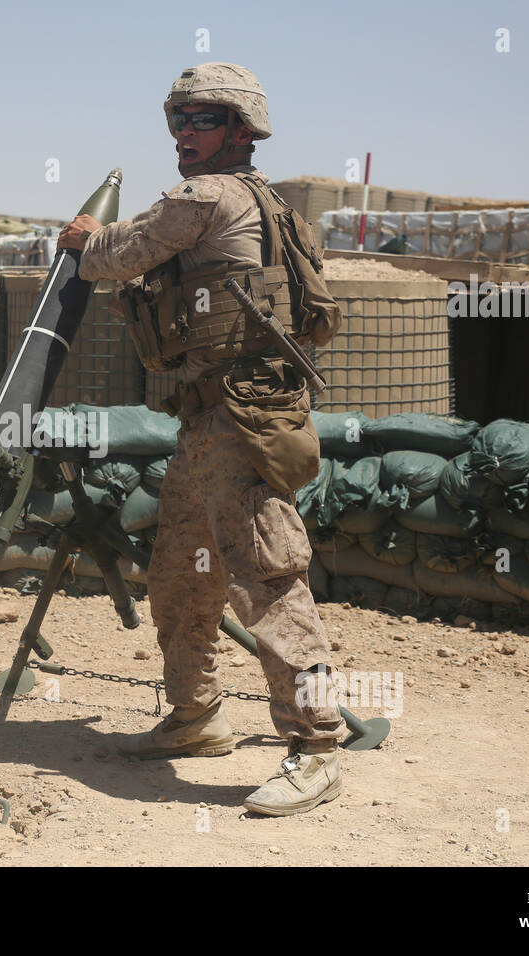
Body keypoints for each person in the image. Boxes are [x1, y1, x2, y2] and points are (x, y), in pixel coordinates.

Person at [57, 62, 348, 816]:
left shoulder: (207, 196)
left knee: (269, 578)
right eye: (176, 119)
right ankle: (196, 715)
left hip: (236, 421)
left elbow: (110, 256)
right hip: (210, 417)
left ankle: (317, 745)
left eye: (202, 119)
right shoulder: (267, 201)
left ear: (242, 130)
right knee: (182, 572)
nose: (185, 134)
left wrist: (86, 235)